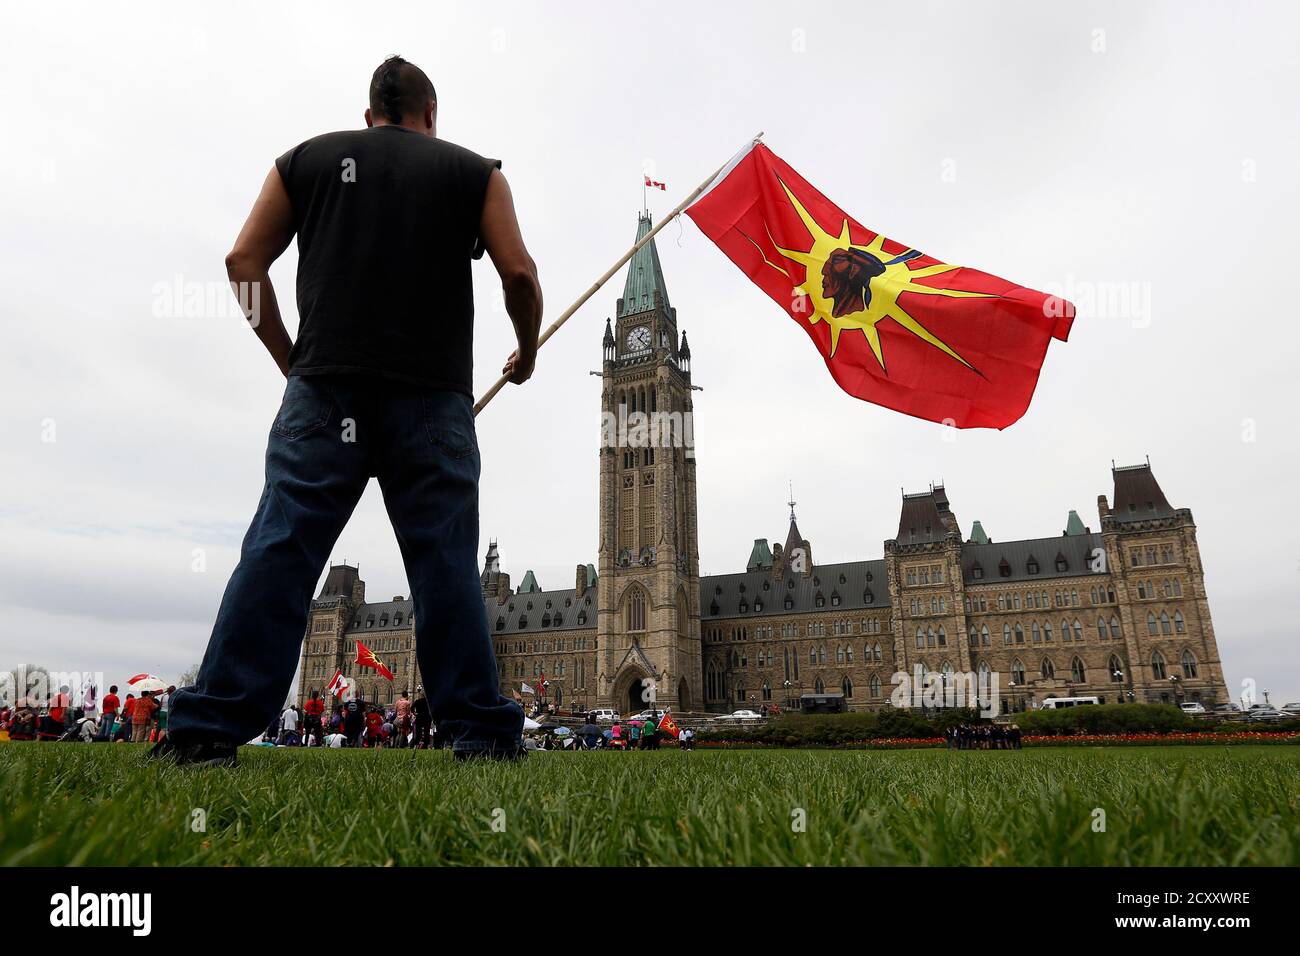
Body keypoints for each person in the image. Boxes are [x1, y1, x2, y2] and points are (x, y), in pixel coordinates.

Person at [154, 55, 542, 769]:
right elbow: (519, 274)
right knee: (446, 570)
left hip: (324, 390)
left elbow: (244, 261)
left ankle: (206, 730)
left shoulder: (306, 159)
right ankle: (481, 738)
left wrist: (289, 357)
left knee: (279, 552)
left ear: (369, 114)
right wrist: (527, 351)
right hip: (433, 400)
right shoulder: (475, 173)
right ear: (432, 115)